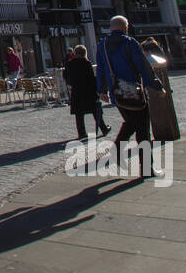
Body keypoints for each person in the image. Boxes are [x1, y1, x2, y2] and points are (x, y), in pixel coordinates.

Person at [95, 16, 164, 179]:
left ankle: (117, 150)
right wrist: (155, 85)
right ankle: (146, 167)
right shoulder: (130, 43)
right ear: (125, 27)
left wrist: (102, 89)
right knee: (142, 129)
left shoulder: (102, 45)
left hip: (116, 93)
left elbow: (101, 69)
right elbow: (143, 66)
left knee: (131, 122)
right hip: (134, 90)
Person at [63, 45, 108, 139]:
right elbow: (91, 78)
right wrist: (98, 89)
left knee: (79, 114)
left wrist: (71, 83)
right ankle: (103, 128)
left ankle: (81, 132)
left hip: (76, 91)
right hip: (88, 91)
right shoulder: (86, 63)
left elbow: (66, 76)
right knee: (95, 110)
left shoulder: (69, 64)